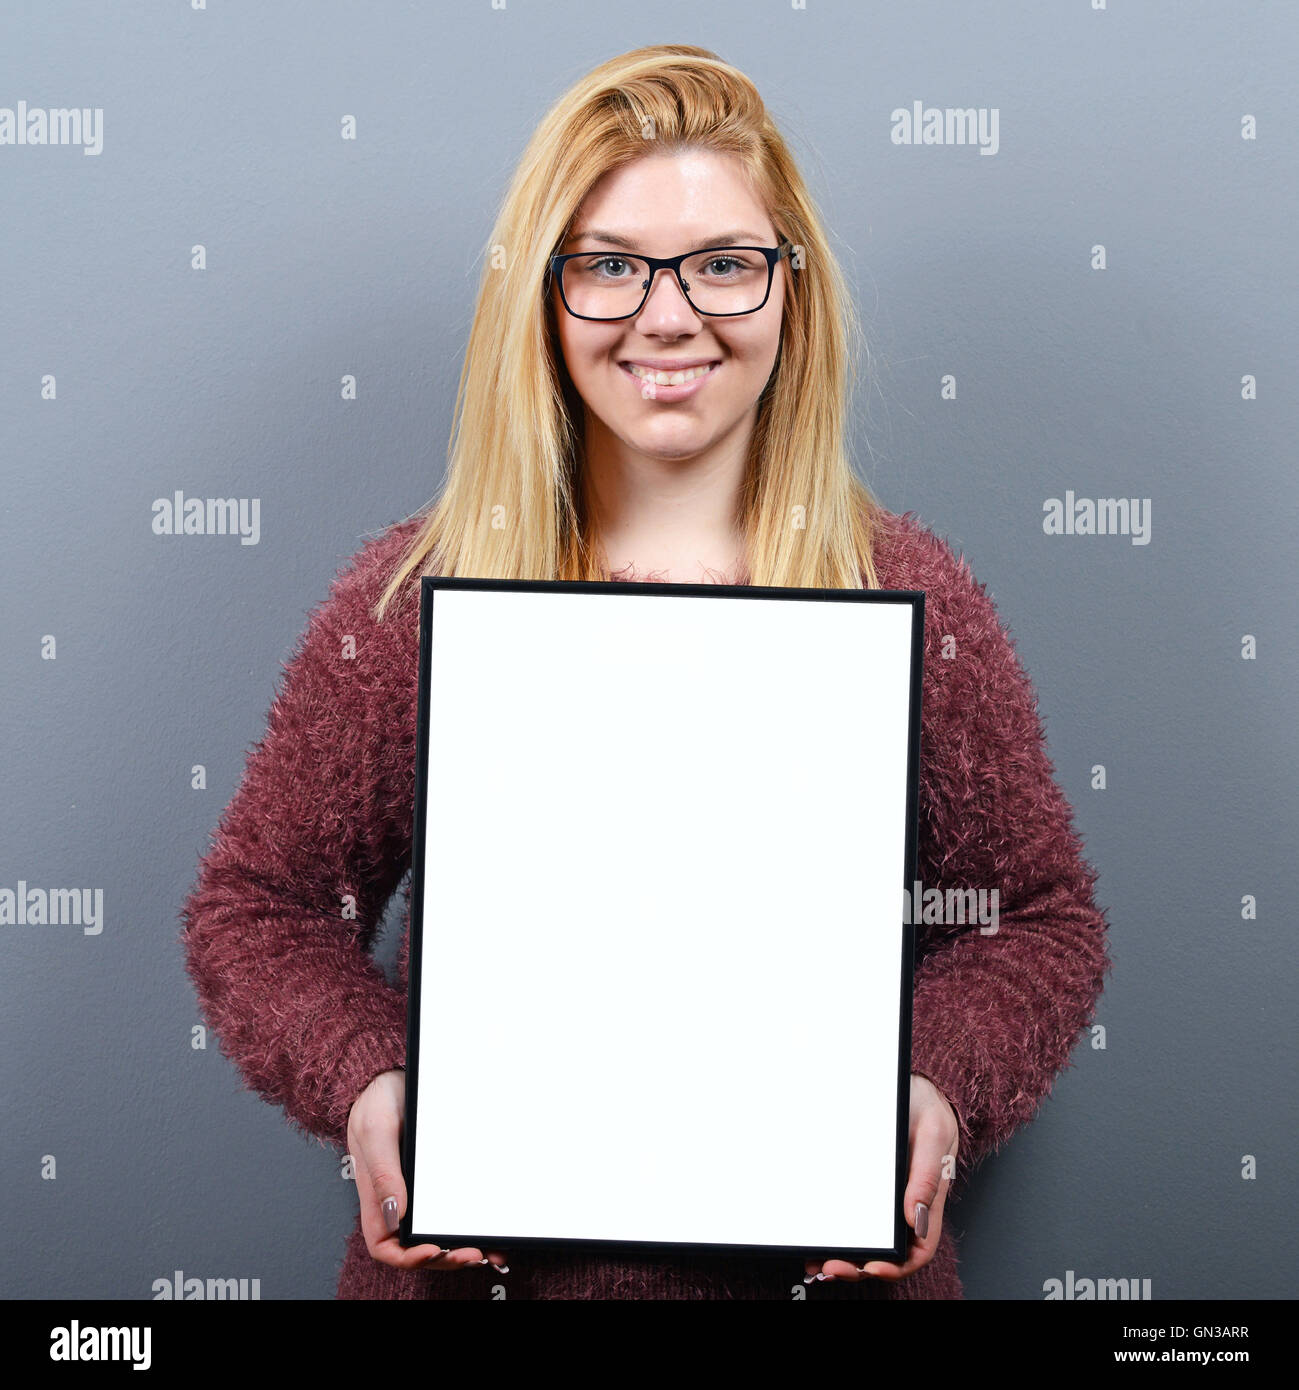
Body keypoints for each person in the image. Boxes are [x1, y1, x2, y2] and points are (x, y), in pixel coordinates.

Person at [179, 44, 1110, 1300]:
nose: (668, 316)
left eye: (724, 263)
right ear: (544, 296)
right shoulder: (407, 600)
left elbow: (1036, 918)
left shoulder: (908, 592)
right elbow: (259, 905)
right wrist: (372, 1080)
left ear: (793, 291)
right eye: (611, 266)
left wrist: (934, 1085)